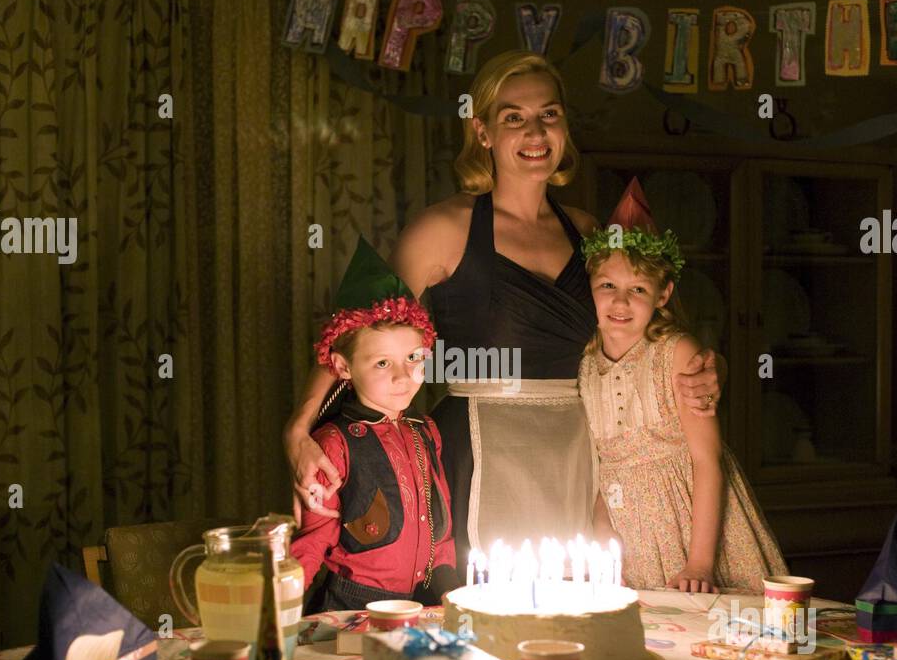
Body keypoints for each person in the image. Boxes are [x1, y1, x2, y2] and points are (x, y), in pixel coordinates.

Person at [283, 51, 727, 582]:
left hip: (576, 450)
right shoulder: (441, 229)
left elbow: (651, 331)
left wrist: (706, 363)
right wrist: (299, 428)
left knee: (568, 620)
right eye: (514, 117)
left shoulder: (589, 233)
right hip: (475, 450)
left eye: (549, 114)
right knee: (480, 621)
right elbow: (356, 338)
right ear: (483, 131)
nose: (535, 131)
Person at [578, 177, 789, 593]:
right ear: (590, 287)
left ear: (662, 294)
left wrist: (700, 563)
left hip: (694, 528)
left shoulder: (676, 353)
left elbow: (707, 460)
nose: (620, 302)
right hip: (632, 536)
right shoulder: (585, 365)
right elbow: (602, 469)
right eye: (608, 286)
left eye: (637, 289)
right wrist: (605, 551)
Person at [290, 237, 456, 612]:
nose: (403, 376)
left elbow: (441, 533)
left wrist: (450, 595)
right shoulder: (331, 445)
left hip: (426, 606)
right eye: (382, 363)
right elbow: (314, 538)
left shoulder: (426, 432)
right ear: (344, 367)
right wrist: (275, 608)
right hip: (354, 609)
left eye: (413, 357)